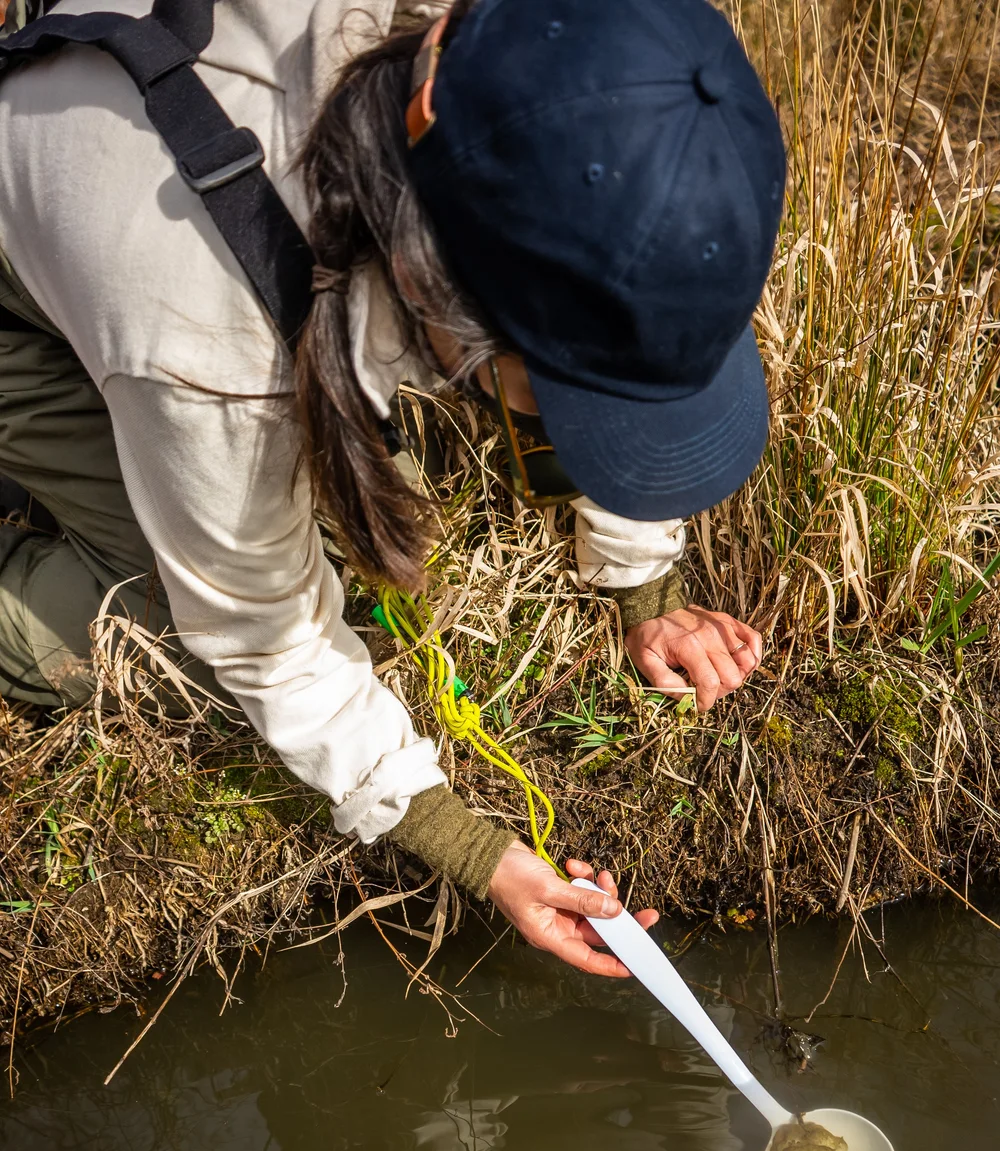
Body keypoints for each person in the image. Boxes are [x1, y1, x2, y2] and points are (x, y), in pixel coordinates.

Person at [0, 0, 785, 974]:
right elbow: (266, 641)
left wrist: (644, 591)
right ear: (423, 281)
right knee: (189, 655)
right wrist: (469, 848)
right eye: (565, 402)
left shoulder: (539, 57)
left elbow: (608, 296)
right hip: (28, 302)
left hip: (146, 236)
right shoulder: (207, 339)